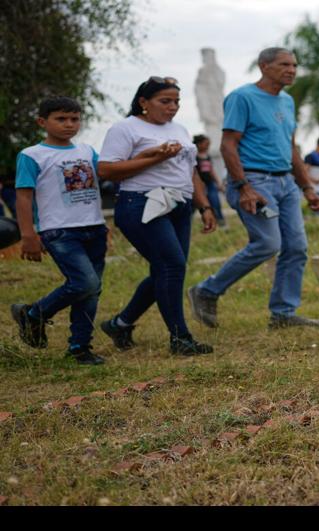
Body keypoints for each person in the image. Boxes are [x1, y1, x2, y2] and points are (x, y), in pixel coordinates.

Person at [187, 47, 319, 330]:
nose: (292, 70)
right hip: (254, 182)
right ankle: (207, 290)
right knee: (267, 243)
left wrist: (307, 188)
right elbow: (228, 145)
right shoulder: (242, 97)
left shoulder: (287, 101)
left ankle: (284, 313)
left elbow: (290, 148)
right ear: (264, 66)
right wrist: (243, 187)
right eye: (284, 64)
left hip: (285, 182)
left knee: (297, 247)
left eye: (294, 65)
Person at [96, 77, 220, 357]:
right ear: (143, 102)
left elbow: (190, 172)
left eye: (176, 101)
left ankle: (120, 323)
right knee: (172, 266)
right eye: (165, 101)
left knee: (166, 270)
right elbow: (105, 170)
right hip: (142, 203)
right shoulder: (125, 128)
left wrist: (205, 206)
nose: (173, 107)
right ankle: (180, 338)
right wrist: (155, 158)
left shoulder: (179, 129)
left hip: (180, 205)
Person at [9, 97, 113, 364]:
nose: (69, 124)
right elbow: (23, 197)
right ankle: (34, 314)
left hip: (93, 228)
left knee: (92, 290)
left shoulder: (88, 151)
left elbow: (102, 182)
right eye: (61, 119)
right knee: (84, 282)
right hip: (59, 231)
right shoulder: (32, 155)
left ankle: (79, 346)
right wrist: (28, 235)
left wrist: (104, 226)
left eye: (75, 119)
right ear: (43, 122)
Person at [192, 134, 227, 227]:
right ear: (199, 144)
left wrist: (218, 183)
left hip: (210, 183)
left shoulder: (207, 156)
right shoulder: (194, 157)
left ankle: (221, 222)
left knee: (215, 202)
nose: (208, 146)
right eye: (206, 143)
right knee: (196, 205)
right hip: (198, 185)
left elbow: (211, 170)